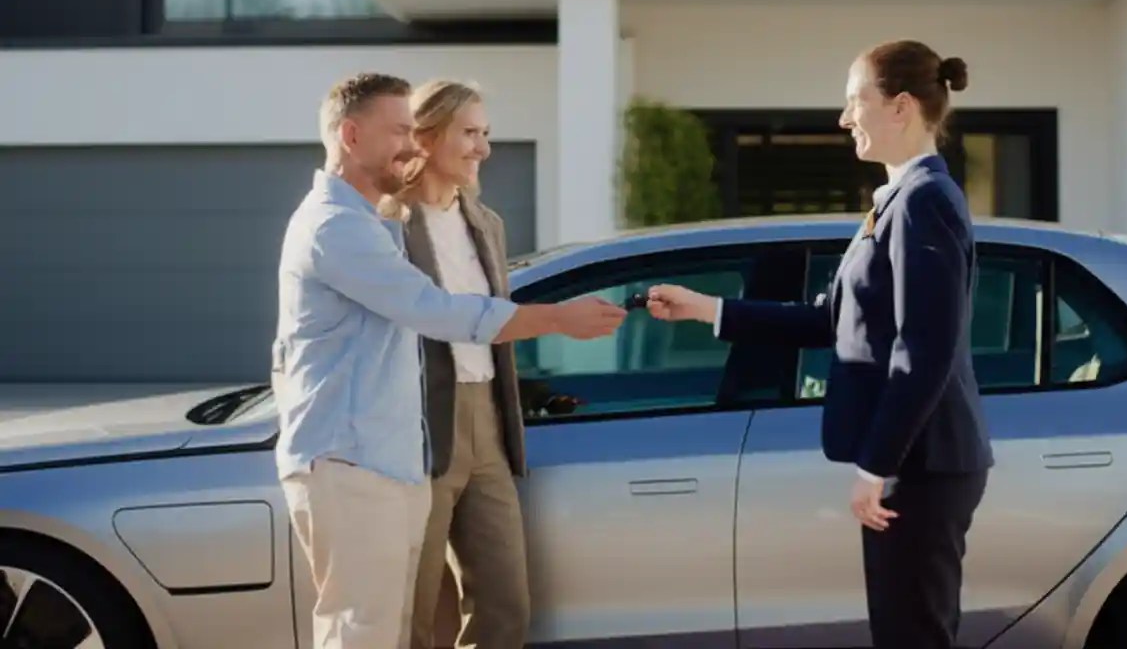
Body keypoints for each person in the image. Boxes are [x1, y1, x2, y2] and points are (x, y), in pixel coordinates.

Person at [645, 40, 994, 649]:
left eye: (854, 101)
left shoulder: (924, 201)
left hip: (921, 466)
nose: (843, 118)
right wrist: (706, 309)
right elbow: (831, 322)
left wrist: (877, 464)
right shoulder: (901, 200)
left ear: (900, 107)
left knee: (913, 635)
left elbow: (925, 348)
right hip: (916, 463)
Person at [271, 72, 626, 649]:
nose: (483, 148)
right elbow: (435, 312)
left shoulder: (403, 222)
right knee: (379, 623)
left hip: (407, 447)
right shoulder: (360, 225)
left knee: (449, 610)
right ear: (353, 135)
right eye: (404, 131)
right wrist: (558, 318)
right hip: (380, 448)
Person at [375, 79, 532, 648]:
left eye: (486, 134)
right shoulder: (384, 224)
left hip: (487, 423)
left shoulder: (486, 223)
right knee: (410, 615)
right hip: (418, 431)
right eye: (469, 133)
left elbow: (495, 325)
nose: (482, 148)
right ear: (426, 135)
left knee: (505, 605)